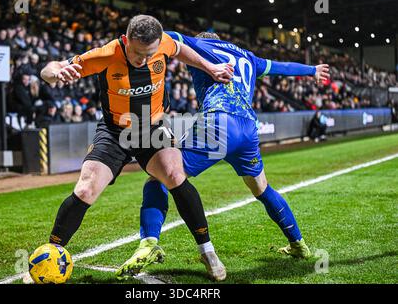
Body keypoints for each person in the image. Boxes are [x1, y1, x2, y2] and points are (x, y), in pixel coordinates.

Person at [116, 31, 330, 280]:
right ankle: (298, 244)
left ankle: (148, 243)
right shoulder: (248, 56)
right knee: (262, 188)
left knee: (160, 176)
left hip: (218, 122)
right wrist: (312, 70)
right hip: (248, 129)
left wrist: (129, 42)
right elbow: (281, 67)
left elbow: (163, 35)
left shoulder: (202, 45)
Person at [40, 15, 233, 279]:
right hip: (114, 131)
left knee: (176, 175)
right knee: (86, 188)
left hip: (151, 129)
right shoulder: (106, 54)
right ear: (127, 40)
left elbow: (182, 50)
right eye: (139, 54)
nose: (144, 60)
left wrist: (210, 67)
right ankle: (50, 255)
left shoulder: (163, 43)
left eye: (150, 53)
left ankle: (207, 251)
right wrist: (56, 73)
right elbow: (48, 70)